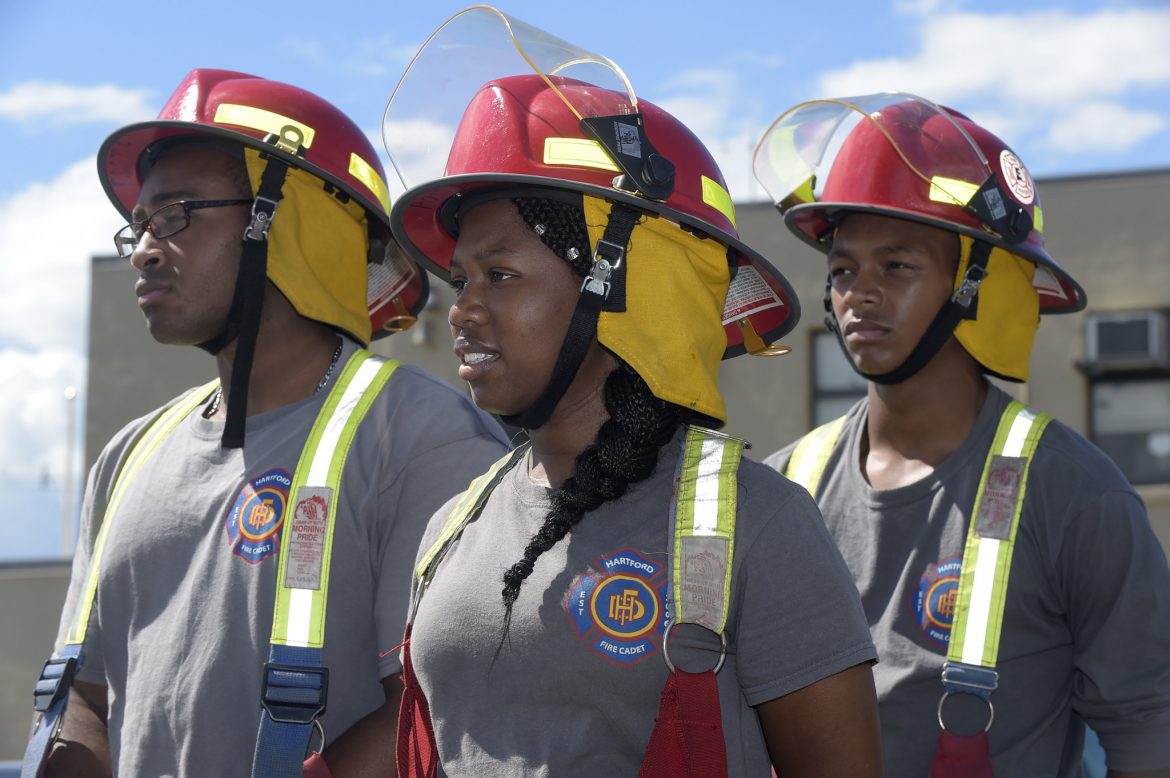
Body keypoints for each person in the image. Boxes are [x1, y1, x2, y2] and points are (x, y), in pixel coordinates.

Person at [380, 9, 883, 777]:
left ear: (624, 290)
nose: (465, 308)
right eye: (461, 280)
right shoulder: (452, 526)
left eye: (502, 275)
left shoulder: (764, 526)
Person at [27, 69, 510, 778]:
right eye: (139, 224)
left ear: (286, 225)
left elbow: (434, 706)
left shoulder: (420, 434)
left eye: (177, 216)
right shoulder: (127, 455)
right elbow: (84, 700)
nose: (144, 249)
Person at [754, 93, 1170, 775]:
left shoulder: (1075, 493)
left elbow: (1148, 732)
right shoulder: (784, 485)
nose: (859, 293)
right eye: (843, 271)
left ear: (974, 287)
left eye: (896, 266)